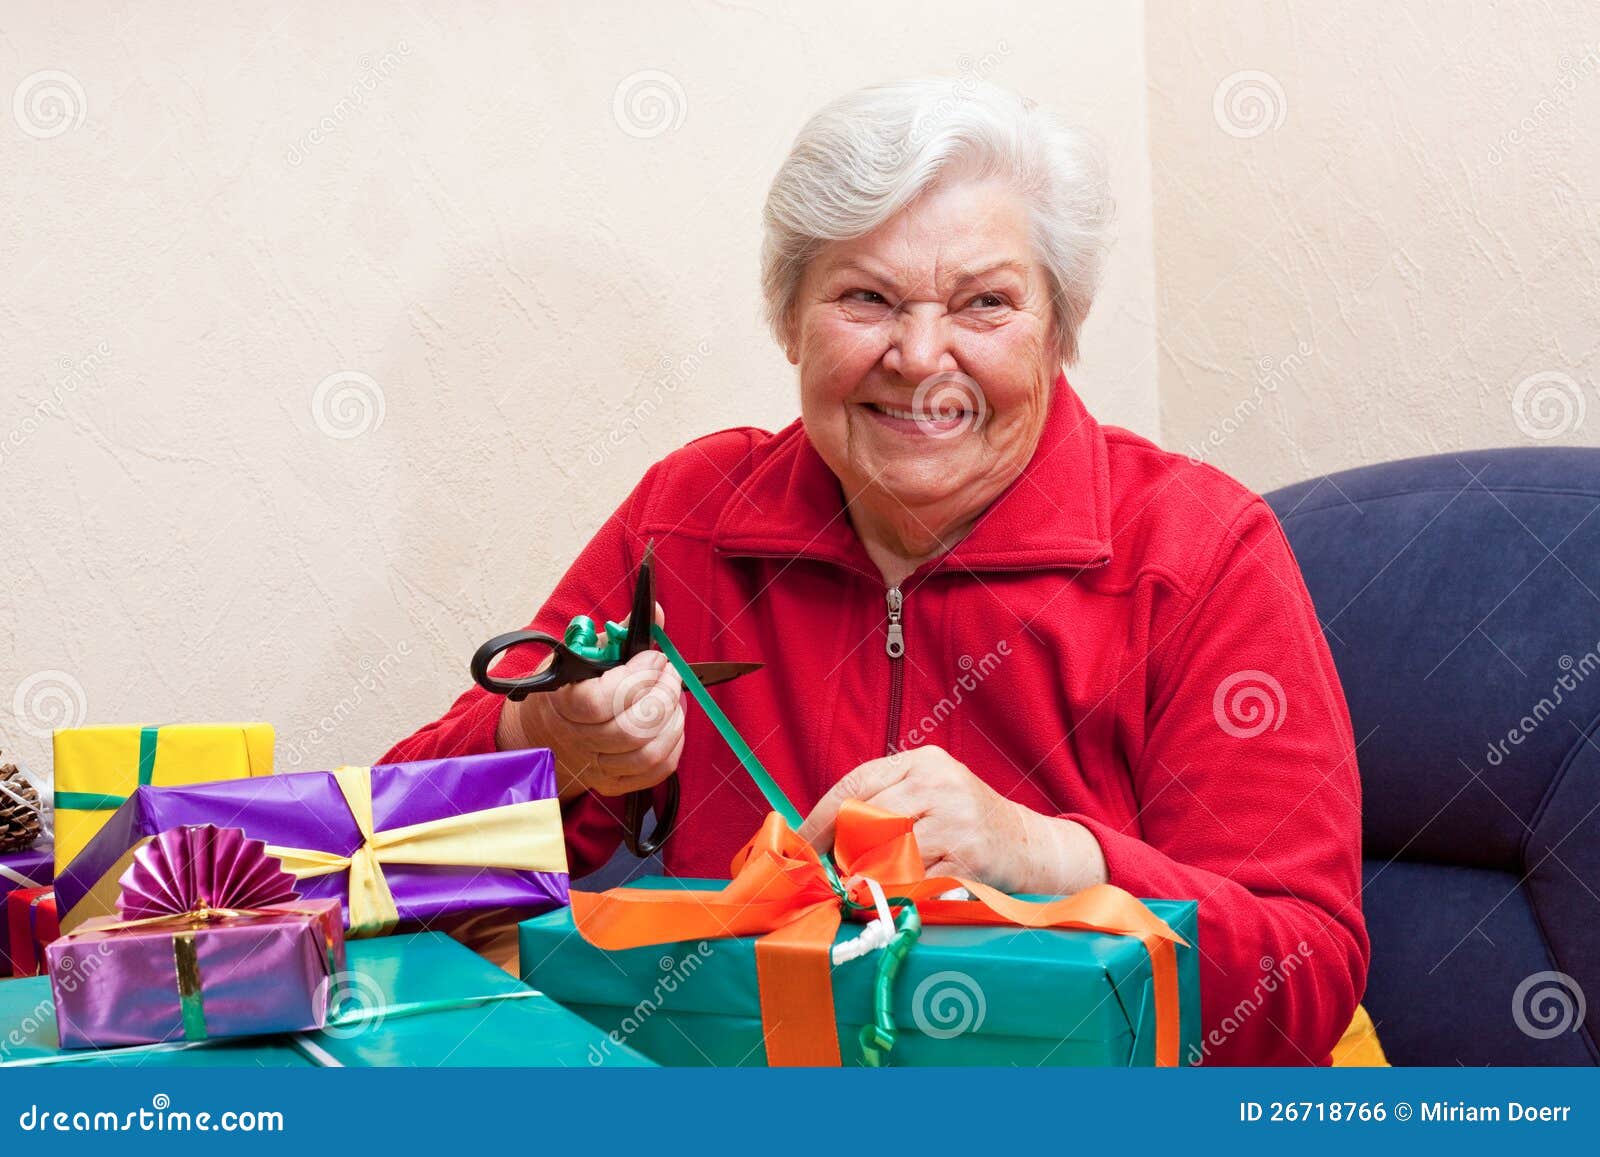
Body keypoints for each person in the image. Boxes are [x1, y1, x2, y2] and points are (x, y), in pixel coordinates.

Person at [384, 77, 1368, 1065]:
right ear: (790, 322)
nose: (919, 355)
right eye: (867, 298)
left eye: (984, 302)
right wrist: (542, 739)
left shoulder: (1196, 547)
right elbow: (377, 870)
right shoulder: (690, 520)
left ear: (1057, 333)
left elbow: (1308, 978)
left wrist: (1044, 854)